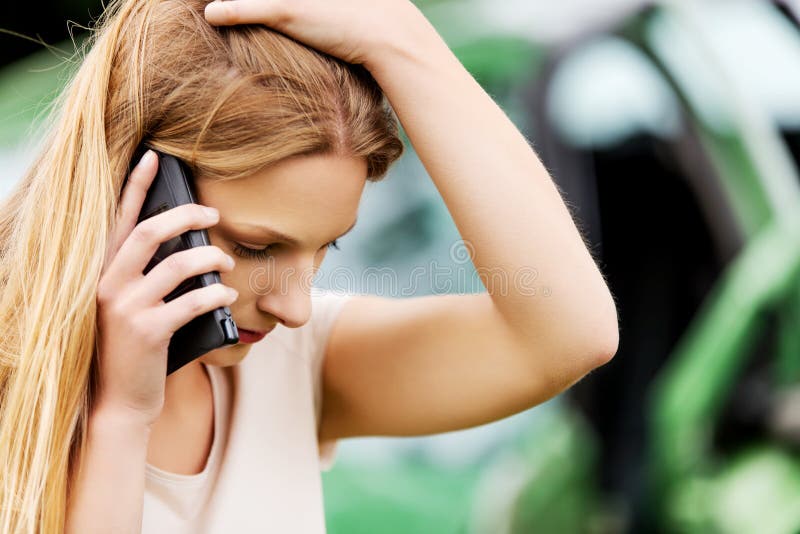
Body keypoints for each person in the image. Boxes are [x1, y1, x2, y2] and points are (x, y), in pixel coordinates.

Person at [0, 0, 619, 532]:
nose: (294, 308)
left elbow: (570, 334)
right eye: (255, 247)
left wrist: (401, 39)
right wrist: (121, 419)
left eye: (329, 247)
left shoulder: (293, 363)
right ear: (135, 191)